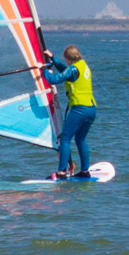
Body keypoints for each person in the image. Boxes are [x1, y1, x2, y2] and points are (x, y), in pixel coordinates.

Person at [40, 44, 96, 179]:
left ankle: (61, 171)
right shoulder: (83, 66)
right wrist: (53, 59)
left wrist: (43, 70)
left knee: (65, 138)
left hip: (79, 109)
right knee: (80, 139)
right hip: (91, 109)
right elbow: (66, 71)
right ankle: (85, 171)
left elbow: (55, 79)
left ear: (68, 58)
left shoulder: (73, 68)